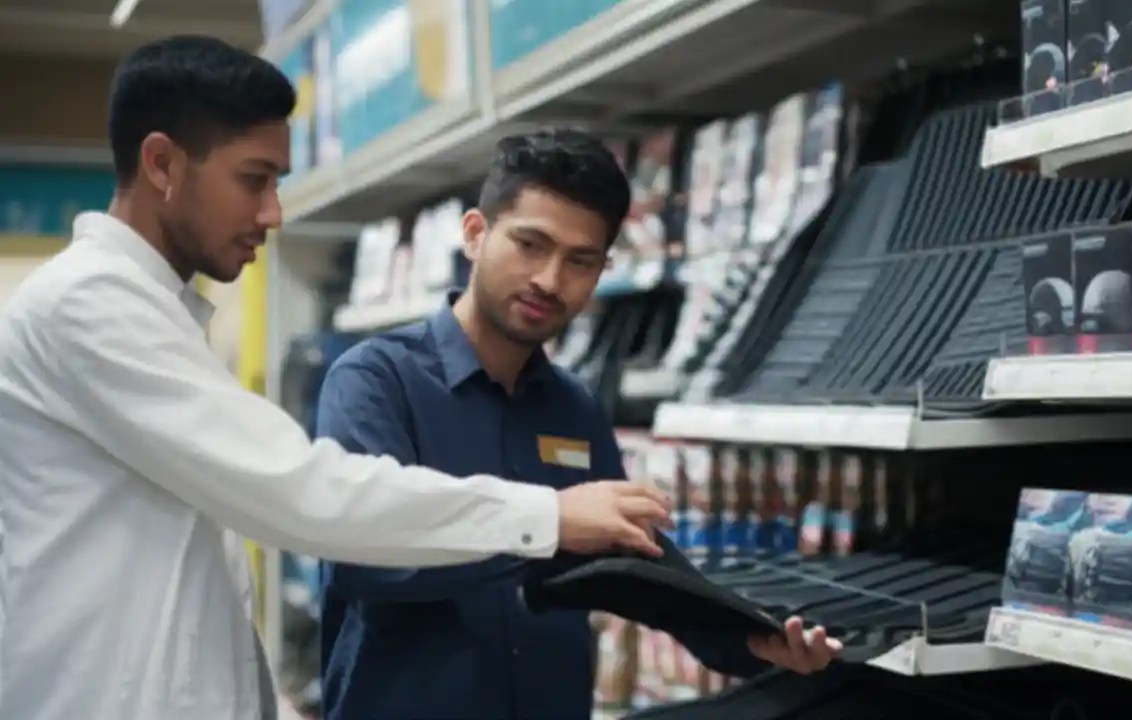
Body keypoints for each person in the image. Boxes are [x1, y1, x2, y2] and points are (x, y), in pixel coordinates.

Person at [0, 36, 671, 720]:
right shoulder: (88, 305)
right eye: (255, 179)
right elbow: (303, 491)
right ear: (163, 163)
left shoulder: (150, 313)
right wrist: (547, 515)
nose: (273, 213)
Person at [314, 129, 843, 720]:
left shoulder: (573, 407)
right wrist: (547, 524)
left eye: (580, 261)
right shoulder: (375, 381)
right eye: (530, 245)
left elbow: (629, 562)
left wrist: (749, 639)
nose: (549, 278)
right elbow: (364, 555)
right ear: (474, 234)